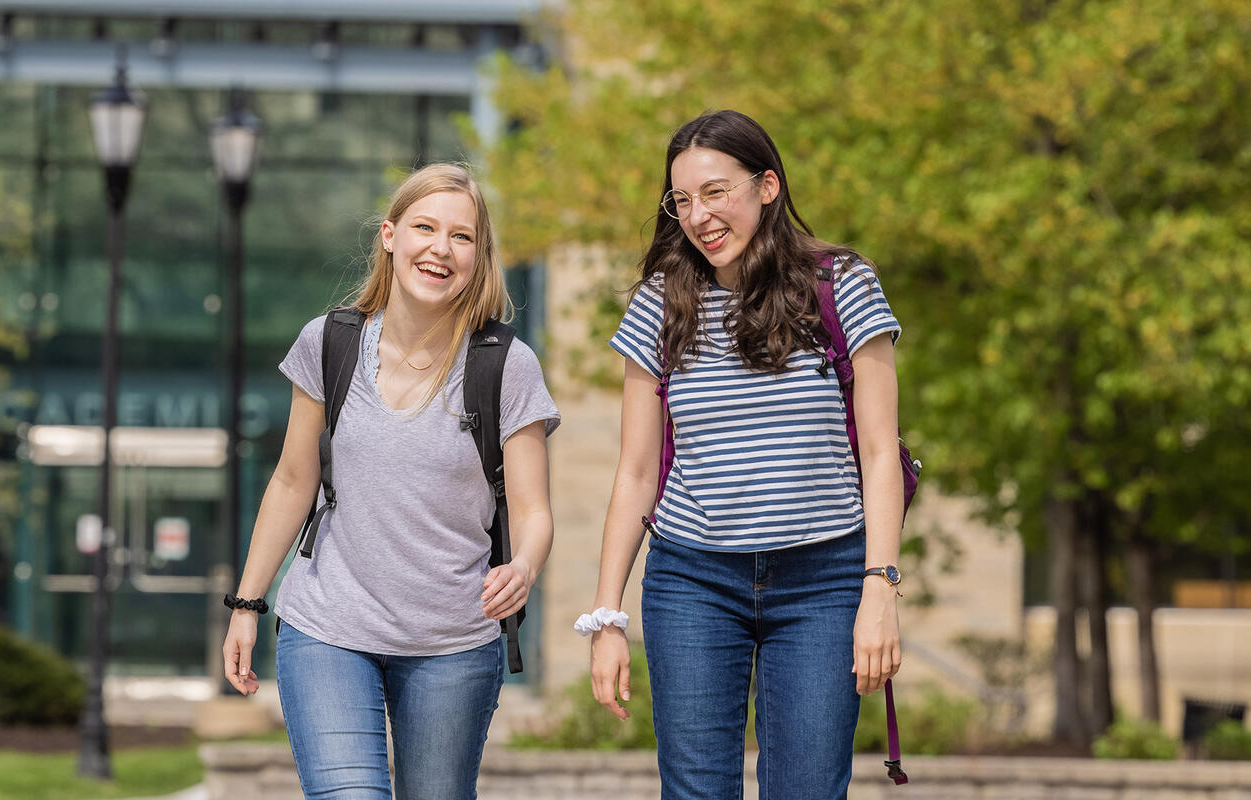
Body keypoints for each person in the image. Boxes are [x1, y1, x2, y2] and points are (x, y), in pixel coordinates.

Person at [581, 110, 905, 799]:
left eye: (714, 191)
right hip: (692, 581)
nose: (697, 215)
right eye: (682, 200)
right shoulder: (659, 305)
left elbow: (879, 453)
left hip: (824, 578)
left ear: (767, 187)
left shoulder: (841, 283)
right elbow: (636, 472)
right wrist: (606, 616)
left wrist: (880, 585)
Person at [221, 163, 561, 800]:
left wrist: (526, 568)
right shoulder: (330, 343)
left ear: (479, 256)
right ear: (390, 236)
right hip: (328, 628)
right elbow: (293, 481)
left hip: (453, 642)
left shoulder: (504, 364)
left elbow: (533, 508)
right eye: (424, 228)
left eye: (461, 237)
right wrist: (247, 603)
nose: (440, 249)